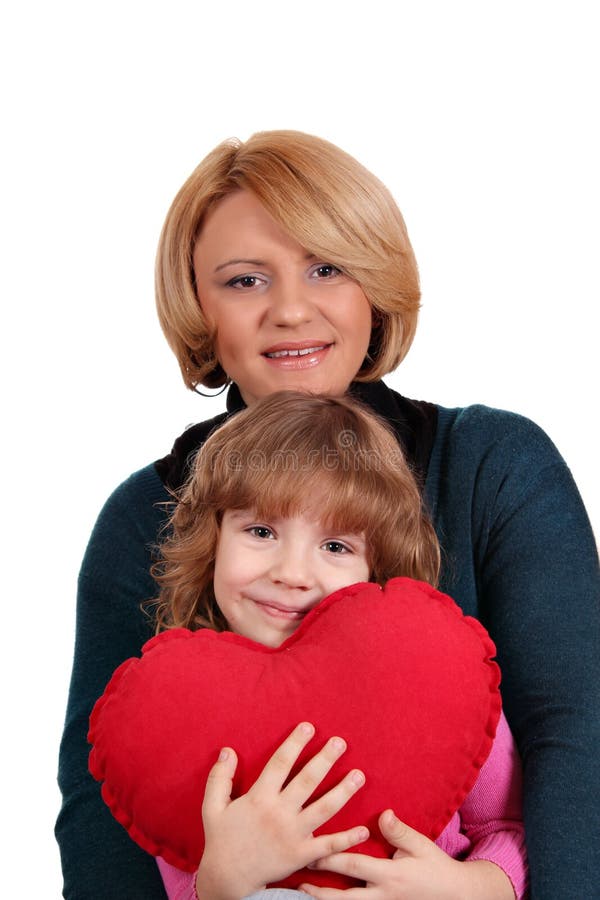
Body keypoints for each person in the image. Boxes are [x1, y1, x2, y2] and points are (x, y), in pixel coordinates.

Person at [55, 130, 599, 900]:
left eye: (326, 268)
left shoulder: (495, 466)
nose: (290, 309)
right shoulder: (140, 516)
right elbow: (103, 804)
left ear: (372, 288)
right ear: (198, 304)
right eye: (244, 281)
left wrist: (488, 889)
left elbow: (574, 732)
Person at [130, 390, 526, 900]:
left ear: (376, 566)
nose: (292, 573)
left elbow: (507, 826)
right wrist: (222, 879)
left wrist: (471, 887)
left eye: (335, 546)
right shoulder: (186, 707)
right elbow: (182, 867)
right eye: (260, 530)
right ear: (213, 541)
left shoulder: (437, 683)